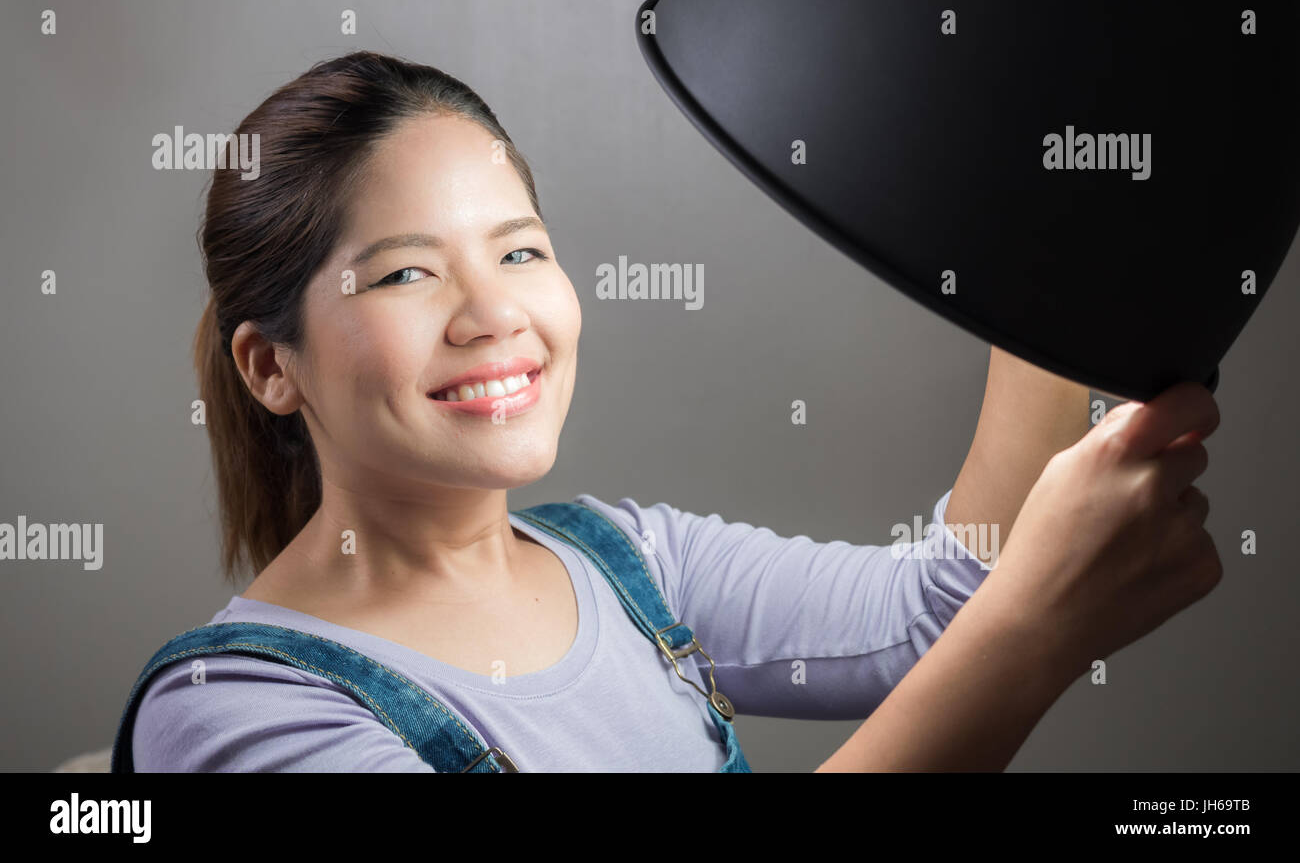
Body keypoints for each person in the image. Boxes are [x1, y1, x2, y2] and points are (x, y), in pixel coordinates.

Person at [122, 50, 1221, 772]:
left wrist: (1027, 259)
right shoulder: (231, 715)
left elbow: (941, 610)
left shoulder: (631, 566)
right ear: (272, 366)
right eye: (409, 275)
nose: (494, 313)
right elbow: (997, 621)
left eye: (520, 251)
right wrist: (1035, 632)